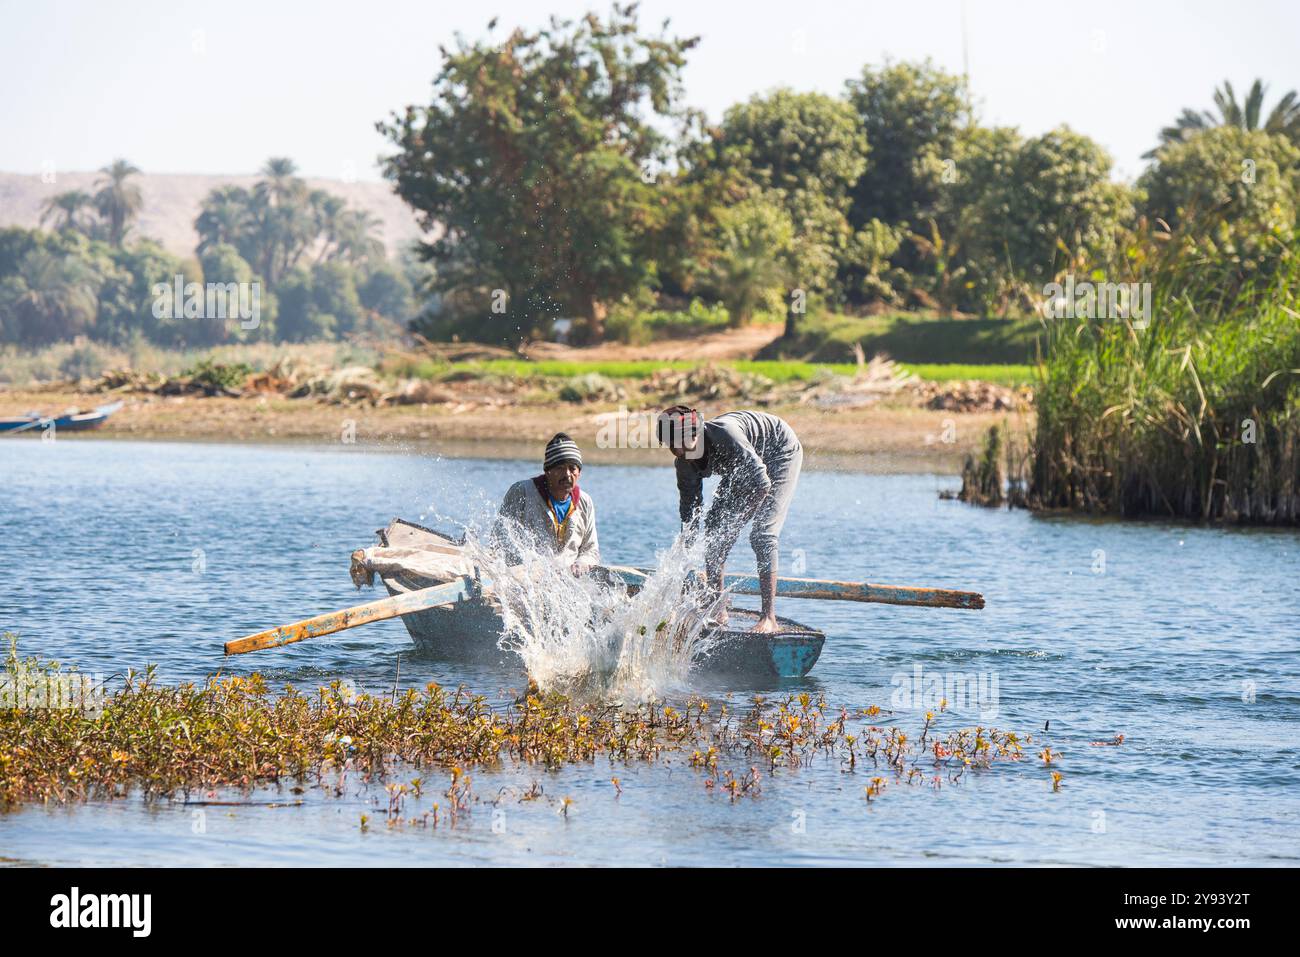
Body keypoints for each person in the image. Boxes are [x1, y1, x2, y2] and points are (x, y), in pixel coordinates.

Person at [656, 407, 803, 633]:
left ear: (697, 433)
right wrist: (683, 558)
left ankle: (769, 618)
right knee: (714, 532)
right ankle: (718, 608)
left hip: (779, 450)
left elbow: (761, 483)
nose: (681, 451)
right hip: (742, 464)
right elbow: (690, 515)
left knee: (762, 534)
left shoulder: (726, 434)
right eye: (673, 447)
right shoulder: (683, 464)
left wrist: (735, 524)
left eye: (685, 443)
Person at [493, 432, 600, 574]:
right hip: (524, 577)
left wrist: (582, 563)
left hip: (567, 581)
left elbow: (591, 550)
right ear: (547, 471)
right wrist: (526, 569)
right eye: (560, 468)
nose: (567, 474)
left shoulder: (585, 502)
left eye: (572, 468)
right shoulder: (522, 491)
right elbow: (499, 539)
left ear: (579, 473)